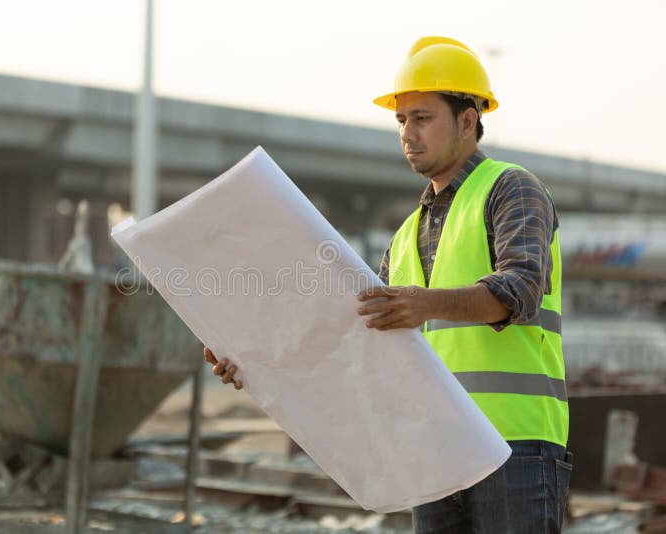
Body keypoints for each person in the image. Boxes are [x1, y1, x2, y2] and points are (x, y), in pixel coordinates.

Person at [205, 35, 571, 533]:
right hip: (436, 449)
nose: (407, 133)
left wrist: (424, 304)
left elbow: (520, 288)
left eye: (422, 118)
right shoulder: (405, 236)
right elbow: (351, 337)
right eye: (401, 121)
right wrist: (250, 359)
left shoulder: (512, 188)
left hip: (516, 444)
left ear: (468, 121)